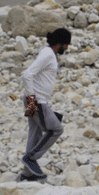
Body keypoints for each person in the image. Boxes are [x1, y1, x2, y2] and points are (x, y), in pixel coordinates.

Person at [20, 27, 71, 181]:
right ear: (60, 44)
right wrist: (33, 98)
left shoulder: (49, 53)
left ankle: (27, 175)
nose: (67, 48)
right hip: (37, 101)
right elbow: (27, 74)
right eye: (66, 44)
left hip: (35, 100)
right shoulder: (48, 54)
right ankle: (31, 158)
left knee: (35, 134)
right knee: (56, 129)